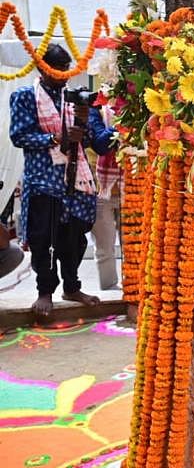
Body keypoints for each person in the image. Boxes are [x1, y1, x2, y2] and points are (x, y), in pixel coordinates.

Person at [10, 44, 115, 320]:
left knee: (75, 237)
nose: (65, 76)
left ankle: (72, 287)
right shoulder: (25, 96)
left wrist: (103, 127)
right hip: (44, 180)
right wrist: (54, 139)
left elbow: (94, 141)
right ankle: (45, 291)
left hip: (75, 183)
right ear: (43, 69)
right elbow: (19, 137)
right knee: (43, 239)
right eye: (59, 70)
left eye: (67, 70)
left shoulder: (74, 99)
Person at [92, 104, 121, 290]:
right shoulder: (97, 110)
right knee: (104, 248)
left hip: (134, 186)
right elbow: (99, 144)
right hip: (102, 189)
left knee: (136, 245)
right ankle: (109, 291)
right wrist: (122, 125)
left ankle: (135, 289)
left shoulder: (142, 108)